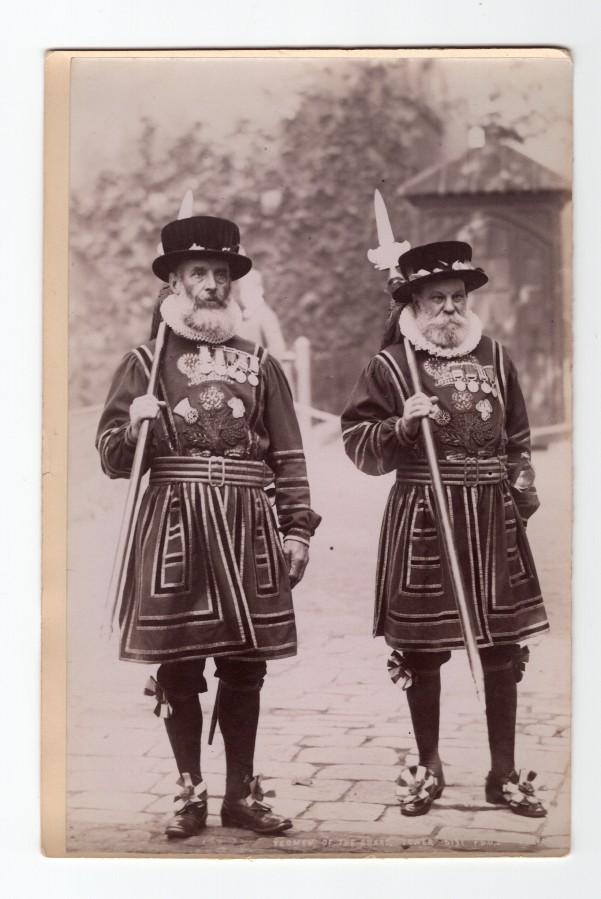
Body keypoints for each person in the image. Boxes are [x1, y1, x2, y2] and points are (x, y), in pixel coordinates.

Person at [97, 213, 320, 839]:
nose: (212, 285)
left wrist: (297, 529)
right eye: (199, 273)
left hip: (249, 525)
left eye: (222, 274)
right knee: (178, 666)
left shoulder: (258, 362)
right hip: (174, 525)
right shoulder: (144, 361)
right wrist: (134, 423)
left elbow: (290, 454)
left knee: (246, 665)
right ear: (174, 283)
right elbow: (114, 461)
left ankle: (240, 794)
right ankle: (190, 792)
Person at [341, 241, 548, 819]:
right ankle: (428, 765)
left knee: (503, 648)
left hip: (491, 514)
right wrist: (402, 425)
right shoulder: (390, 366)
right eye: (438, 299)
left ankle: (502, 773)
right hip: (424, 512)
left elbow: (520, 441)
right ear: (413, 303)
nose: (451, 310)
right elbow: (359, 444)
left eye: (458, 298)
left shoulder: (495, 358)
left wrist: (520, 499)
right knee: (424, 649)